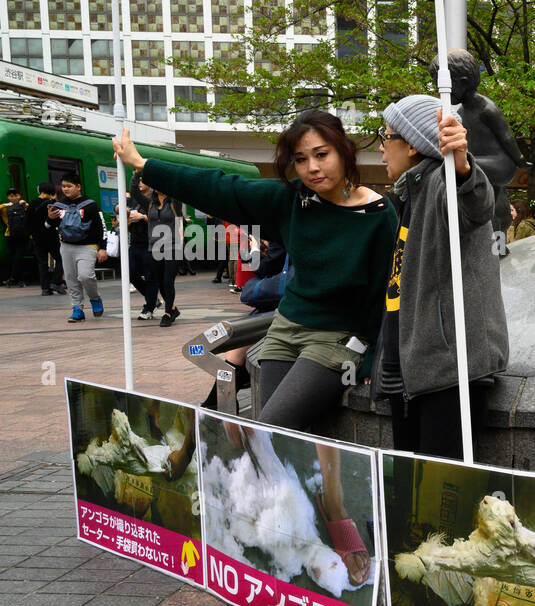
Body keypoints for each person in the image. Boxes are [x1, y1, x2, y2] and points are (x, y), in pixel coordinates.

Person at [114, 109, 398, 432]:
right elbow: (221, 188)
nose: (313, 168)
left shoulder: (378, 214)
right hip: (286, 328)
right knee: (281, 439)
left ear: (344, 150)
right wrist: (145, 166)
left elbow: (387, 293)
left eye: (322, 154)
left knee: (269, 428)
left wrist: (375, 356)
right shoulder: (293, 200)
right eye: (301, 159)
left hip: (338, 340)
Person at [375, 94, 507, 459]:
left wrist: (462, 166)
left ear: (414, 146)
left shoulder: (440, 183)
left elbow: (475, 204)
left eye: (386, 138)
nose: (382, 151)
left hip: (449, 372)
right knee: (411, 486)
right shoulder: (408, 192)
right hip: (411, 368)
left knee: (441, 494)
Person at [45, 174, 107, 322]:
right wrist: (50, 218)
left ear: (78, 187)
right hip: (66, 246)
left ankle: (95, 298)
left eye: (69, 186)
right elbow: (47, 226)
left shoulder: (90, 205)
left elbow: (100, 227)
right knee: (71, 279)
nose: (66, 189)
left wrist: (103, 248)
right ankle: (77, 309)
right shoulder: (59, 205)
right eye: (63, 186)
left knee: (86, 276)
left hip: (87, 247)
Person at [141, 181, 186, 327]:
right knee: (159, 281)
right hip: (154, 247)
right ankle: (173, 309)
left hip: (173, 246)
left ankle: (167, 313)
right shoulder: (149, 203)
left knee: (168, 281)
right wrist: (136, 174)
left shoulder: (174, 202)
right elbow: (135, 192)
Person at [118, 175, 156, 319]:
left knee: (150, 276)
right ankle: (152, 299)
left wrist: (143, 217)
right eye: (138, 181)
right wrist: (128, 220)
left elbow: (162, 219)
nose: (139, 183)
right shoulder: (134, 200)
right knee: (131, 274)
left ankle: (149, 307)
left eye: (142, 180)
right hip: (135, 242)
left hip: (151, 243)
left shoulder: (155, 198)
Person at [30, 182, 66, 295]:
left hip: (37, 238)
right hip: (51, 237)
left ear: (40, 190)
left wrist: (32, 235)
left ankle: (45, 289)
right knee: (61, 258)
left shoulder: (32, 203)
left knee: (42, 262)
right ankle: (55, 281)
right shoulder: (53, 204)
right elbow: (57, 221)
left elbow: (27, 222)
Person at [3, 188, 30, 287]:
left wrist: (23, 203)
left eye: (16, 195)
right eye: (11, 196)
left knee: (18, 257)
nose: (14, 198)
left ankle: (14, 278)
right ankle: (18, 280)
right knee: (15, 258)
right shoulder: (4, 207)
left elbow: (29, 208)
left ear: (19, 196)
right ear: (8, 197)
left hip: (21, 235)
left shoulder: (24, 205)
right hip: (11, 234)